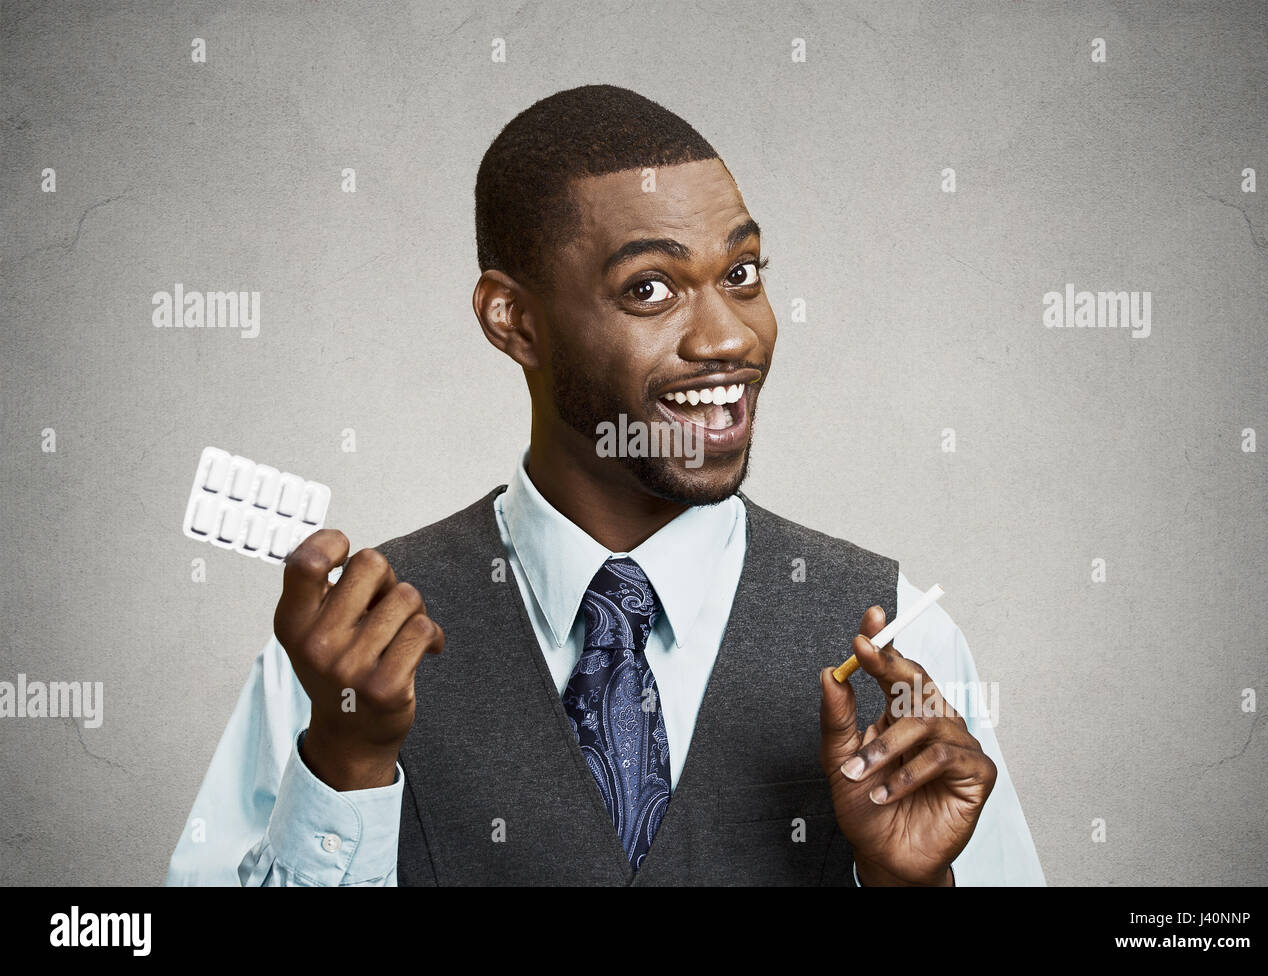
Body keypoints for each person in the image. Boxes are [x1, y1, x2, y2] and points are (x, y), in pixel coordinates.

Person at [167, 84, 1045, 886]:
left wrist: (910, 888)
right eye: (651, 287)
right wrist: (344, 768)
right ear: (513, 322)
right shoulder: (338, 664)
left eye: (741, 275)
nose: (729, 339)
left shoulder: (899, 642)